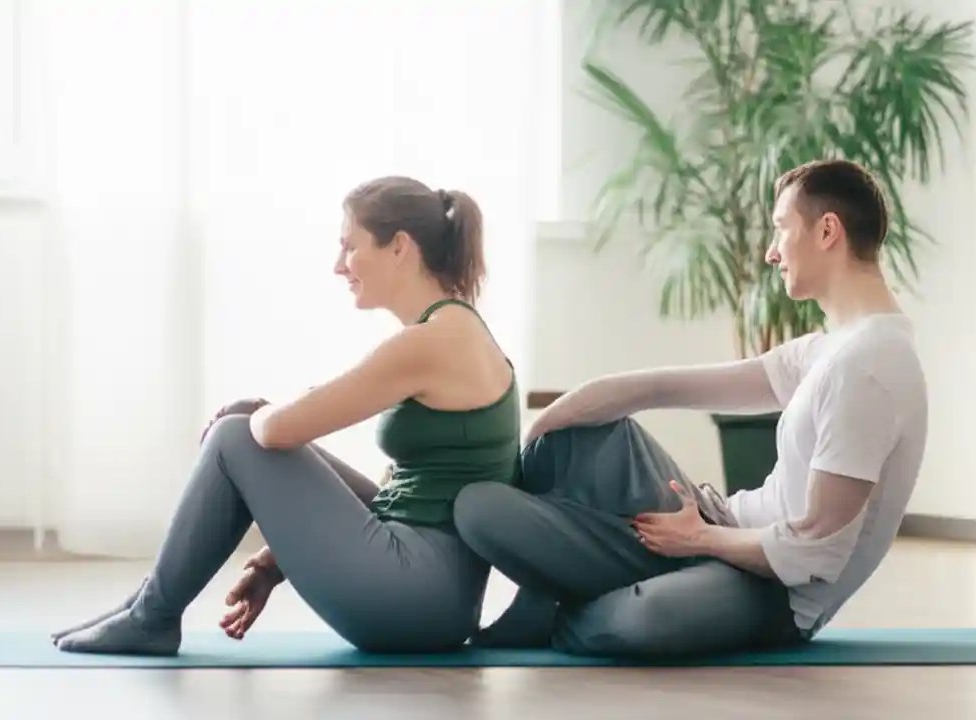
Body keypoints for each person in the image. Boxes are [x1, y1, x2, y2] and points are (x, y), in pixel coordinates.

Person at [453, 159, 928, 656]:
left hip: (775, 592)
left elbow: (813, 551)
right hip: (718, 526)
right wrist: (548, 422)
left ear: (827, 230)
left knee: (638, 620)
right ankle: (563, 589)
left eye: (780, 229)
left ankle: (560, 601)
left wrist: (699, 539)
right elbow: (663, 388)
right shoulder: (831, 349)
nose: (771, 252)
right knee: (549, 451)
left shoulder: (871, 367)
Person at [51, 176, 521, 655]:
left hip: (418, 597)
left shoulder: (433, 341)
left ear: (399, 247)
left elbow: (277, 430)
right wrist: (274, 562)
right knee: (246, 422)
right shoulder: (452, 329)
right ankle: (146, 606)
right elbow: (406, 489)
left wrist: (247, 422)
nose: (339, 266)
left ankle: (152, 616)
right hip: (434, 594)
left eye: (350, 247)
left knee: (239, 434)